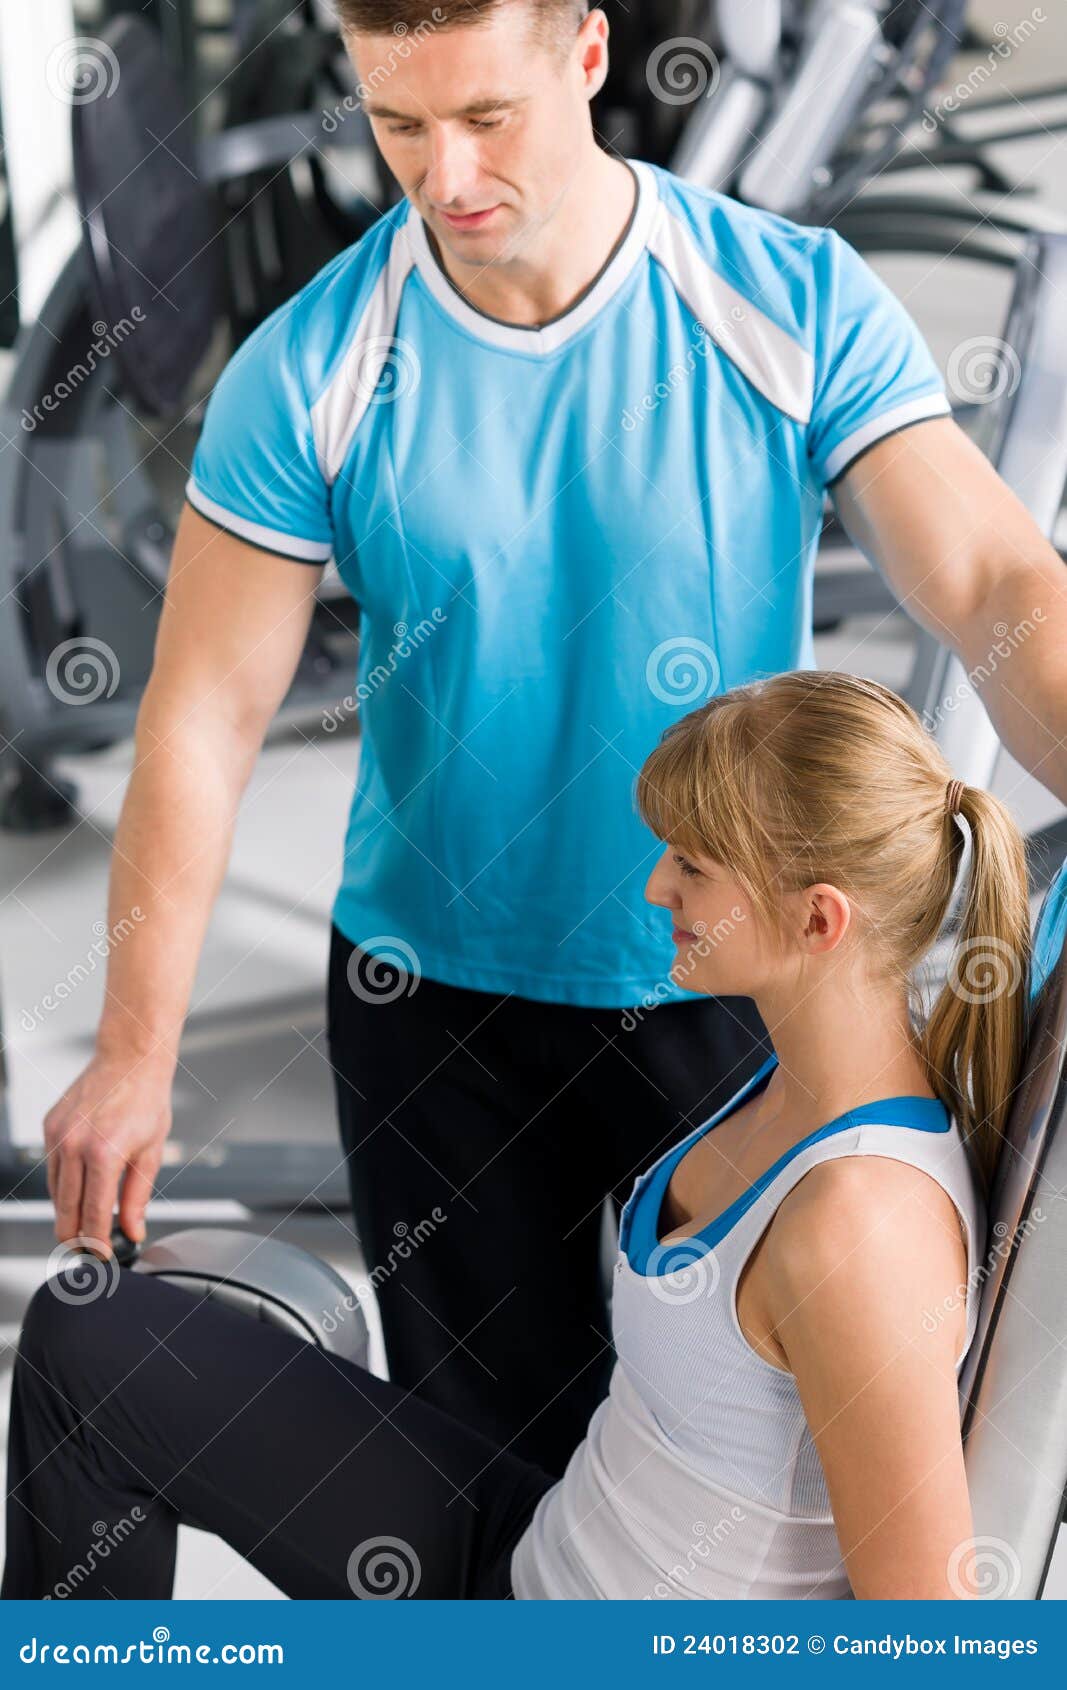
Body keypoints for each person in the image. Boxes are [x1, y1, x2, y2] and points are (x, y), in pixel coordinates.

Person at [39, 0, 1067, 1481]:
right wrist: (134, 1048)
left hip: (731, 975)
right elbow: (203, 715)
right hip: (431, 1002)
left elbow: (987, 583)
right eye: (398, 127)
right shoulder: (311, 362)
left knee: (745, 1477)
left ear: (585, 54)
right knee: (486, 1481)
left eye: (484, 118)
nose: (444, 176)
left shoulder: (782, 300)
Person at [4, 671, 1029, 1600]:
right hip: (537, 1546)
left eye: (693, 866)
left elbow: (925, 1633)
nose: (654, 889)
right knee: (89, 1339)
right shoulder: (786, 1078)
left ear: (817, 922)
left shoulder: (860, 1229)